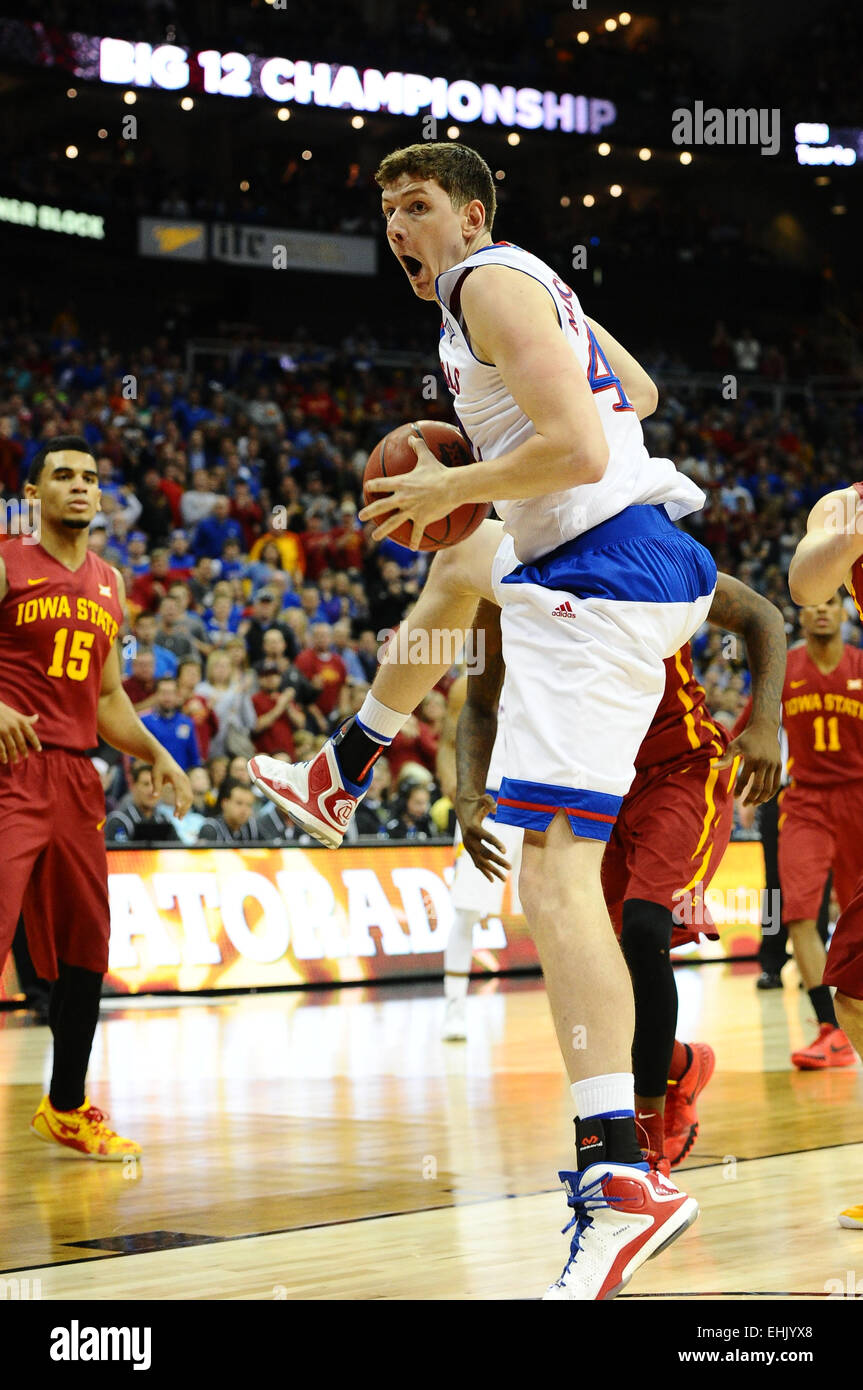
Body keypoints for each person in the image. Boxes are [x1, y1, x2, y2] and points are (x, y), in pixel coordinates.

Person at [250, 143, 717, 1299]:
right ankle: (343, 764)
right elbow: (641, 398)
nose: (399, 228)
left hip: (603, 575)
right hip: (631, 556)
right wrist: (498, 464)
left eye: (417, 206)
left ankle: (618, 1180)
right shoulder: (520, 286)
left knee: (555, 876)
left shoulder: (482, 283)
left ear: (467, 213)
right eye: (385, 212)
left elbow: (586, 445)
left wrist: (448, 487)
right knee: (462, 578)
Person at [452, 578, 784, 1170]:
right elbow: (479, 704)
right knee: (602, 970)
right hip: (593, 788)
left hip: (680, 770)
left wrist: (763, 724)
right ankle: (680, 1065)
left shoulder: (647, 548)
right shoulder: (502, 582)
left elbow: (761, 615)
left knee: (645, 929)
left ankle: (645, 1144)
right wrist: (469, 791)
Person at [0, 436, 191, 1159]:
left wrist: (158, 752)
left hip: (78, 778)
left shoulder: (110, 583)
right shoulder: (7, 559)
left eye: (89, 477)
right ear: (32, 494)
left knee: (86, 948)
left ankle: (67, 1107)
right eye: (63, 476)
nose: (80, 487)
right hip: (10, 768)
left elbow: (108, 696)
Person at [735, 590, 862, 1069]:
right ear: (801, 615)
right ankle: (830, 1028)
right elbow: (747, 730)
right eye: (815, 603)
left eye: (833, 601)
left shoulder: (860, 665)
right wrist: (735, 786)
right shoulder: (783, 669)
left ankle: (854, 1014)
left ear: (845, 611)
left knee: (856, 919)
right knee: (800, 912)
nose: (823, 609)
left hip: (859, 799)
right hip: (805, 800)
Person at [788, 483, 863, 1227]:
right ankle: (821, 1031)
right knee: (851, 985)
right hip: (812, 798)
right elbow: (806, 577)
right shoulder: (844, 508)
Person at [104, 761, 183, 844]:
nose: (152, 791)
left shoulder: (163, 820)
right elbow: (116, 855)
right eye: (146, 784)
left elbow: (179, 850)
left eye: (155, 785)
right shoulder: (119, 820)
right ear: (133, 787)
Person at [140, 676, 201, 773]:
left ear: (177, 696)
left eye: (171, 693)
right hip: (154, 779)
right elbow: (136, 760)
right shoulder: (144, 721)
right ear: (156, 695)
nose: (167, 697)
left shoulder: (186, 723)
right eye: (163, 693)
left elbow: (194, 759)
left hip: (180, 779)